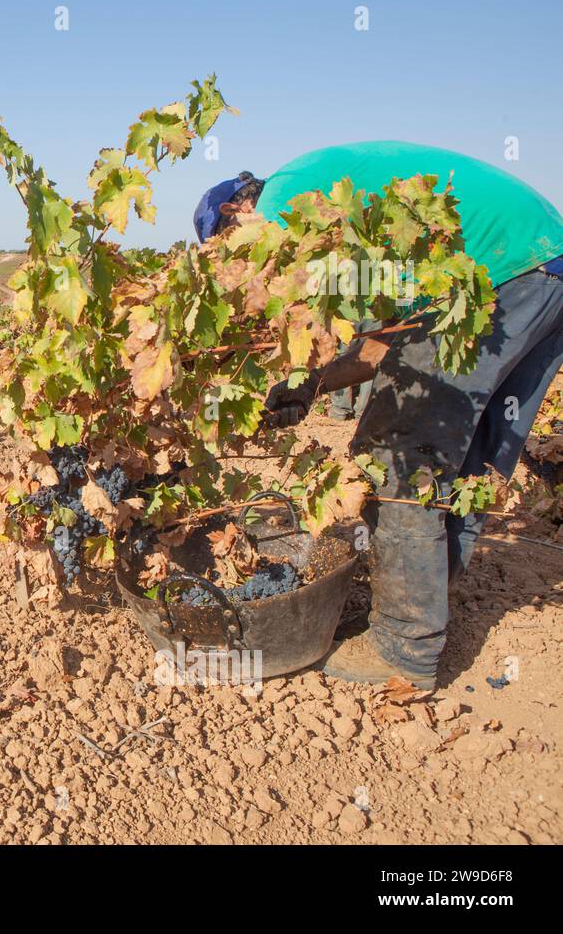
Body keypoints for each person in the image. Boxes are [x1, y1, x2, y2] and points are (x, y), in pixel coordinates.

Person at [195, 144, 563, 689]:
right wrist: (310, 386)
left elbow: (341, 329)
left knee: (395, 451)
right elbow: (384, 345)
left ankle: (404, 647)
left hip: (500, 273)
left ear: (235, 214)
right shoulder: (347, 214)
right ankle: (426, 594)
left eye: (230, 253)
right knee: (471, 453)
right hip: (541, 268)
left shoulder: (285, 202)